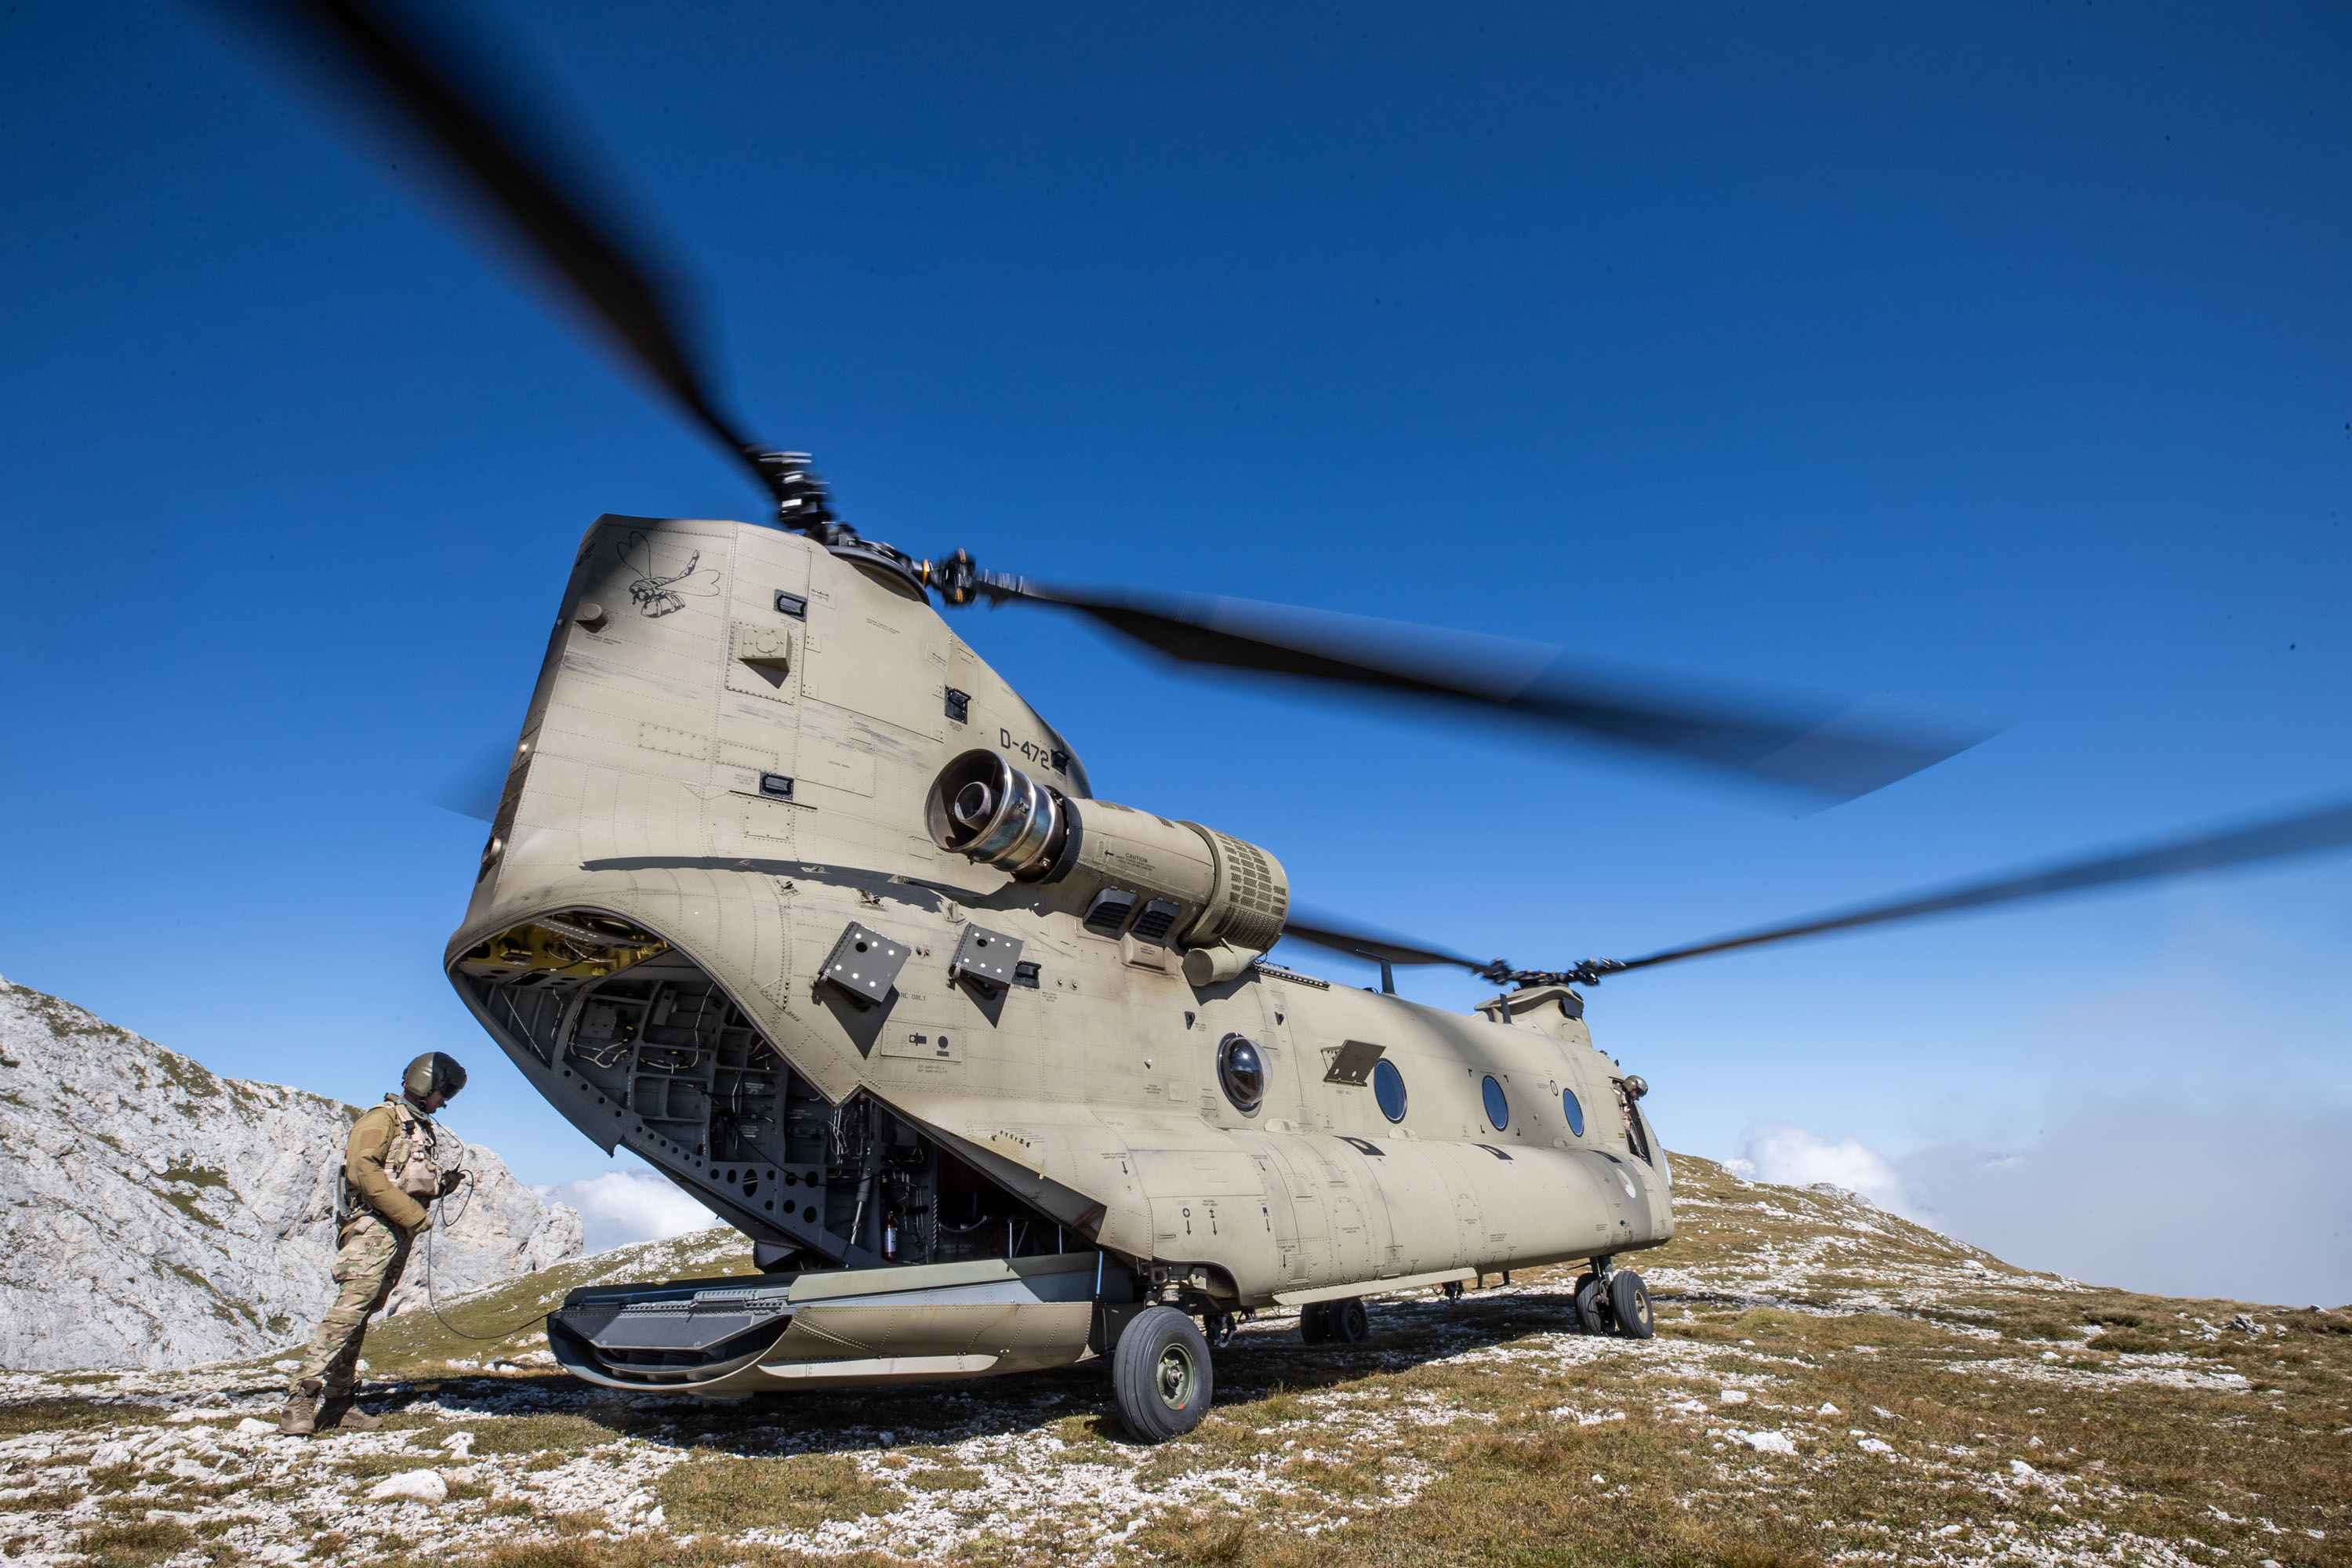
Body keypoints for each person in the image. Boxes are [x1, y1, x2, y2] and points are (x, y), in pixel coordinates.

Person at [279, 1051, 469, 1436]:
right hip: (372, 1230)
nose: (444, 1101)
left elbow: (404, 1178)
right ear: (424, 1085)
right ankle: (301, 1401)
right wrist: (413, 1215)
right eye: (443, 1092)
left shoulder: (416, 1128)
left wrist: (442, 1185)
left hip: (394, 1232)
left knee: (362, 1314)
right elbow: (363, 1171)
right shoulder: (381, 1119)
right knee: (348, 1312)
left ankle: (339, 1404)